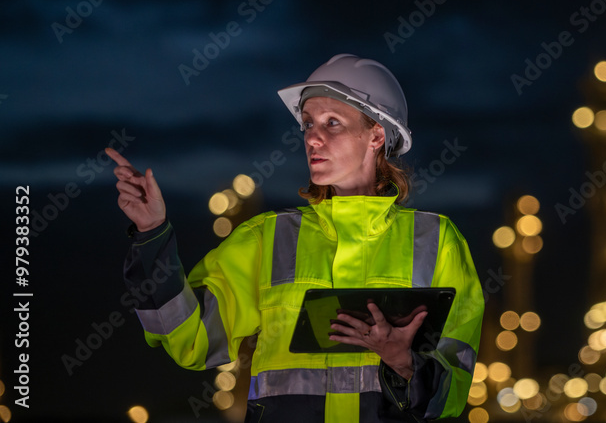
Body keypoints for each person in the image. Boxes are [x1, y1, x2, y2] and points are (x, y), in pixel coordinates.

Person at [109, 54, 484, 422]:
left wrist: (403, 361)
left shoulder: (436, 241)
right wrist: (152, 234)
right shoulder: (266, 239)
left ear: (376, 135)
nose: (313, 138)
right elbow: (188, 339)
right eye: (307, 124)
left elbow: (452, 396)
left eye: (332, 123)